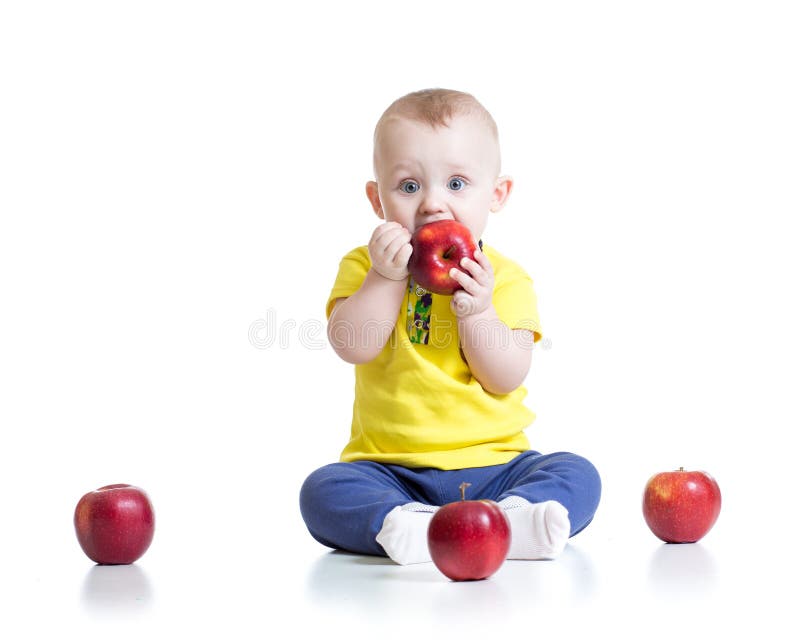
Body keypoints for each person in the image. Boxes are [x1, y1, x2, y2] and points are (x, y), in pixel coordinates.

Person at [299, 88, 601, 565]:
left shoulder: (504, 278)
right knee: (322, 492)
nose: (433, 204)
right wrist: (384, 278)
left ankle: (511, 519)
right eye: (409, 186)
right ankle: (407, 524)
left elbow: (505, 376)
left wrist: (478, 311)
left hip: (497, 466)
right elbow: (352, 346)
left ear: (496, 194)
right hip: (392, 469)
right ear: (378, 199)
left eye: (457, 184)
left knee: (577, 473)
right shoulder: (365, 266)